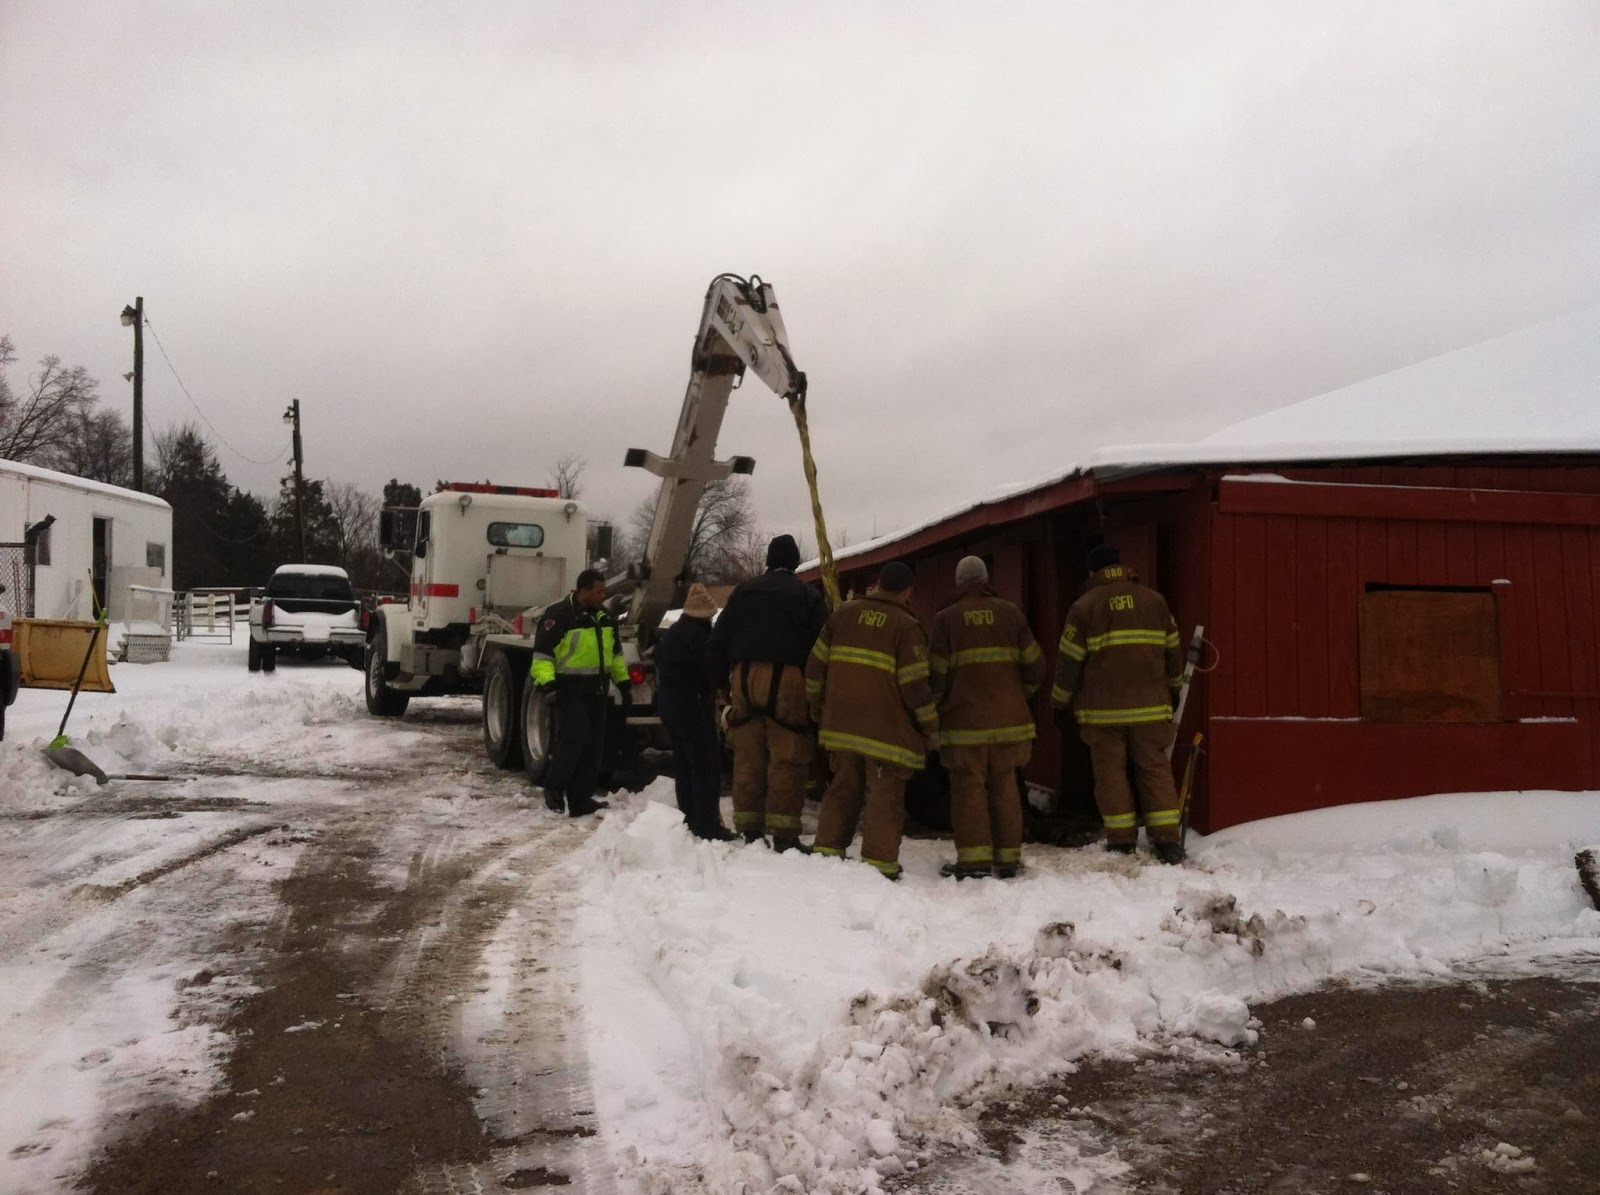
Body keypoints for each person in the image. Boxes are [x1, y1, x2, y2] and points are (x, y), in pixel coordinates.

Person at [1051, 545, 1186, 863]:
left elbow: (1068, 662)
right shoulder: (1155, 601)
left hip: (1103, 711)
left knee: (1110, 773)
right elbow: (1173, 651)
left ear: (1091, 573)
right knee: (1154, 769)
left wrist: (1059, 702)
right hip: (1152, 707)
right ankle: (1167, 840)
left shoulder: (1084, 607)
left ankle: (1122, 839)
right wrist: (1174, 688)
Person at [806, 560, 938, 879]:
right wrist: (930, 726)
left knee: (841, 789)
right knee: (884, 797)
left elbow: (814, 669)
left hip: (839, 727)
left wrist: (818, 708)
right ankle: (879, 868)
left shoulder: (842, 615)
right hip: (886, 734)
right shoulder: (906, 627)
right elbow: (915, 686)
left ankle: (827, 851)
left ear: (878, 583)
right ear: (908, 591)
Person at [706, 533, 828, 850]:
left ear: (768, 562)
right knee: (787, 758)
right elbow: (822, 644)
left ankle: (749, 830)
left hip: (743, 678)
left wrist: (723, 686)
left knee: (748, 756)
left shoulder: (742, 593)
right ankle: (784, 835)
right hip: (788, 680)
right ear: (795, 562)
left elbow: (718, 642)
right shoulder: (807, 595)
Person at [929, 556, 1044, 879]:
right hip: (1010, 724)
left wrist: (935, 711)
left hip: (964, 727)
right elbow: (1036, 666)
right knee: (1006, 787)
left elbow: (935, 676)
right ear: (984, 579)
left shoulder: (945, 620)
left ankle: (974, 861)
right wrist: (1020, 695)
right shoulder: (1012, 614)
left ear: (959, 581)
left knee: (968, 791)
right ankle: (1008, 859)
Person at [530, 568, 632, 817]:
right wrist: (548, 684)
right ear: (583, 590)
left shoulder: (605, 617)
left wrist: (624, 682)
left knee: (593, 747)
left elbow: (615, 655)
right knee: (572, 743)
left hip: (597, 691)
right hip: (570, 691)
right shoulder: (560, 615)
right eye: (599, 591)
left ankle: (580, 799)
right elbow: (543, 656)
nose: (603, 595)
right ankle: (554, 790)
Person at [655, 583, 736, 840]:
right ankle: (706, 825)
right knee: (705, 764)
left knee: (683, 761)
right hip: (693, 703)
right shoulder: (701, 637)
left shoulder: (673, 632)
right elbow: (710, 672)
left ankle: (689, 817)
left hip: (669, 702)